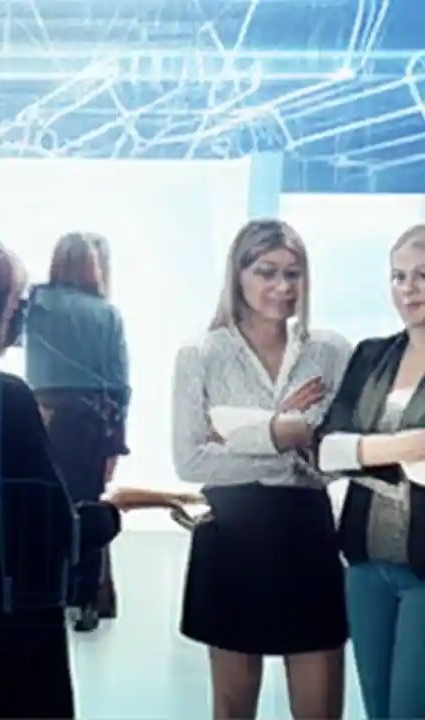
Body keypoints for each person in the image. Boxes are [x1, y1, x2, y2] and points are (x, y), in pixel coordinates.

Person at [0, 235, 200, 718]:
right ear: (3, 311)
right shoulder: (5, 399)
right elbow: (56, 534)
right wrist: (125, 506)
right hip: (11, 646)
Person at [171, 219, 349, 719]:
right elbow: (190, 460)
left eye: (293, 274)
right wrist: (278, 432)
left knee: (319, 710)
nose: (282, 287)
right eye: (267, 272)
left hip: (306, 535)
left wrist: (238, 435)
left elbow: (332, 462)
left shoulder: (331, 352)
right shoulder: (200, 355)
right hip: (231, 536)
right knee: (232, 709)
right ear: (239, 274)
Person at [313, 223, 425, 719]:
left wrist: (359, 451)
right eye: (399, 276)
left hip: (424, 568)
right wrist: (405, 446)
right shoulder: (371, 354)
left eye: (423, 275)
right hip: (363, 561)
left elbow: (345, 449)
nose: (409, 289)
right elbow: (325, 448)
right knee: (377, 709)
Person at [25, 232, 130, 631]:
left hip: (40, 413)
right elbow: (120, 383)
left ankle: (48, 589)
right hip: (90, 419)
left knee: (41, 505)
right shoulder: (107, 314)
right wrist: (117, 442)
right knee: (86, 507)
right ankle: (86, 599)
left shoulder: (35, 304)